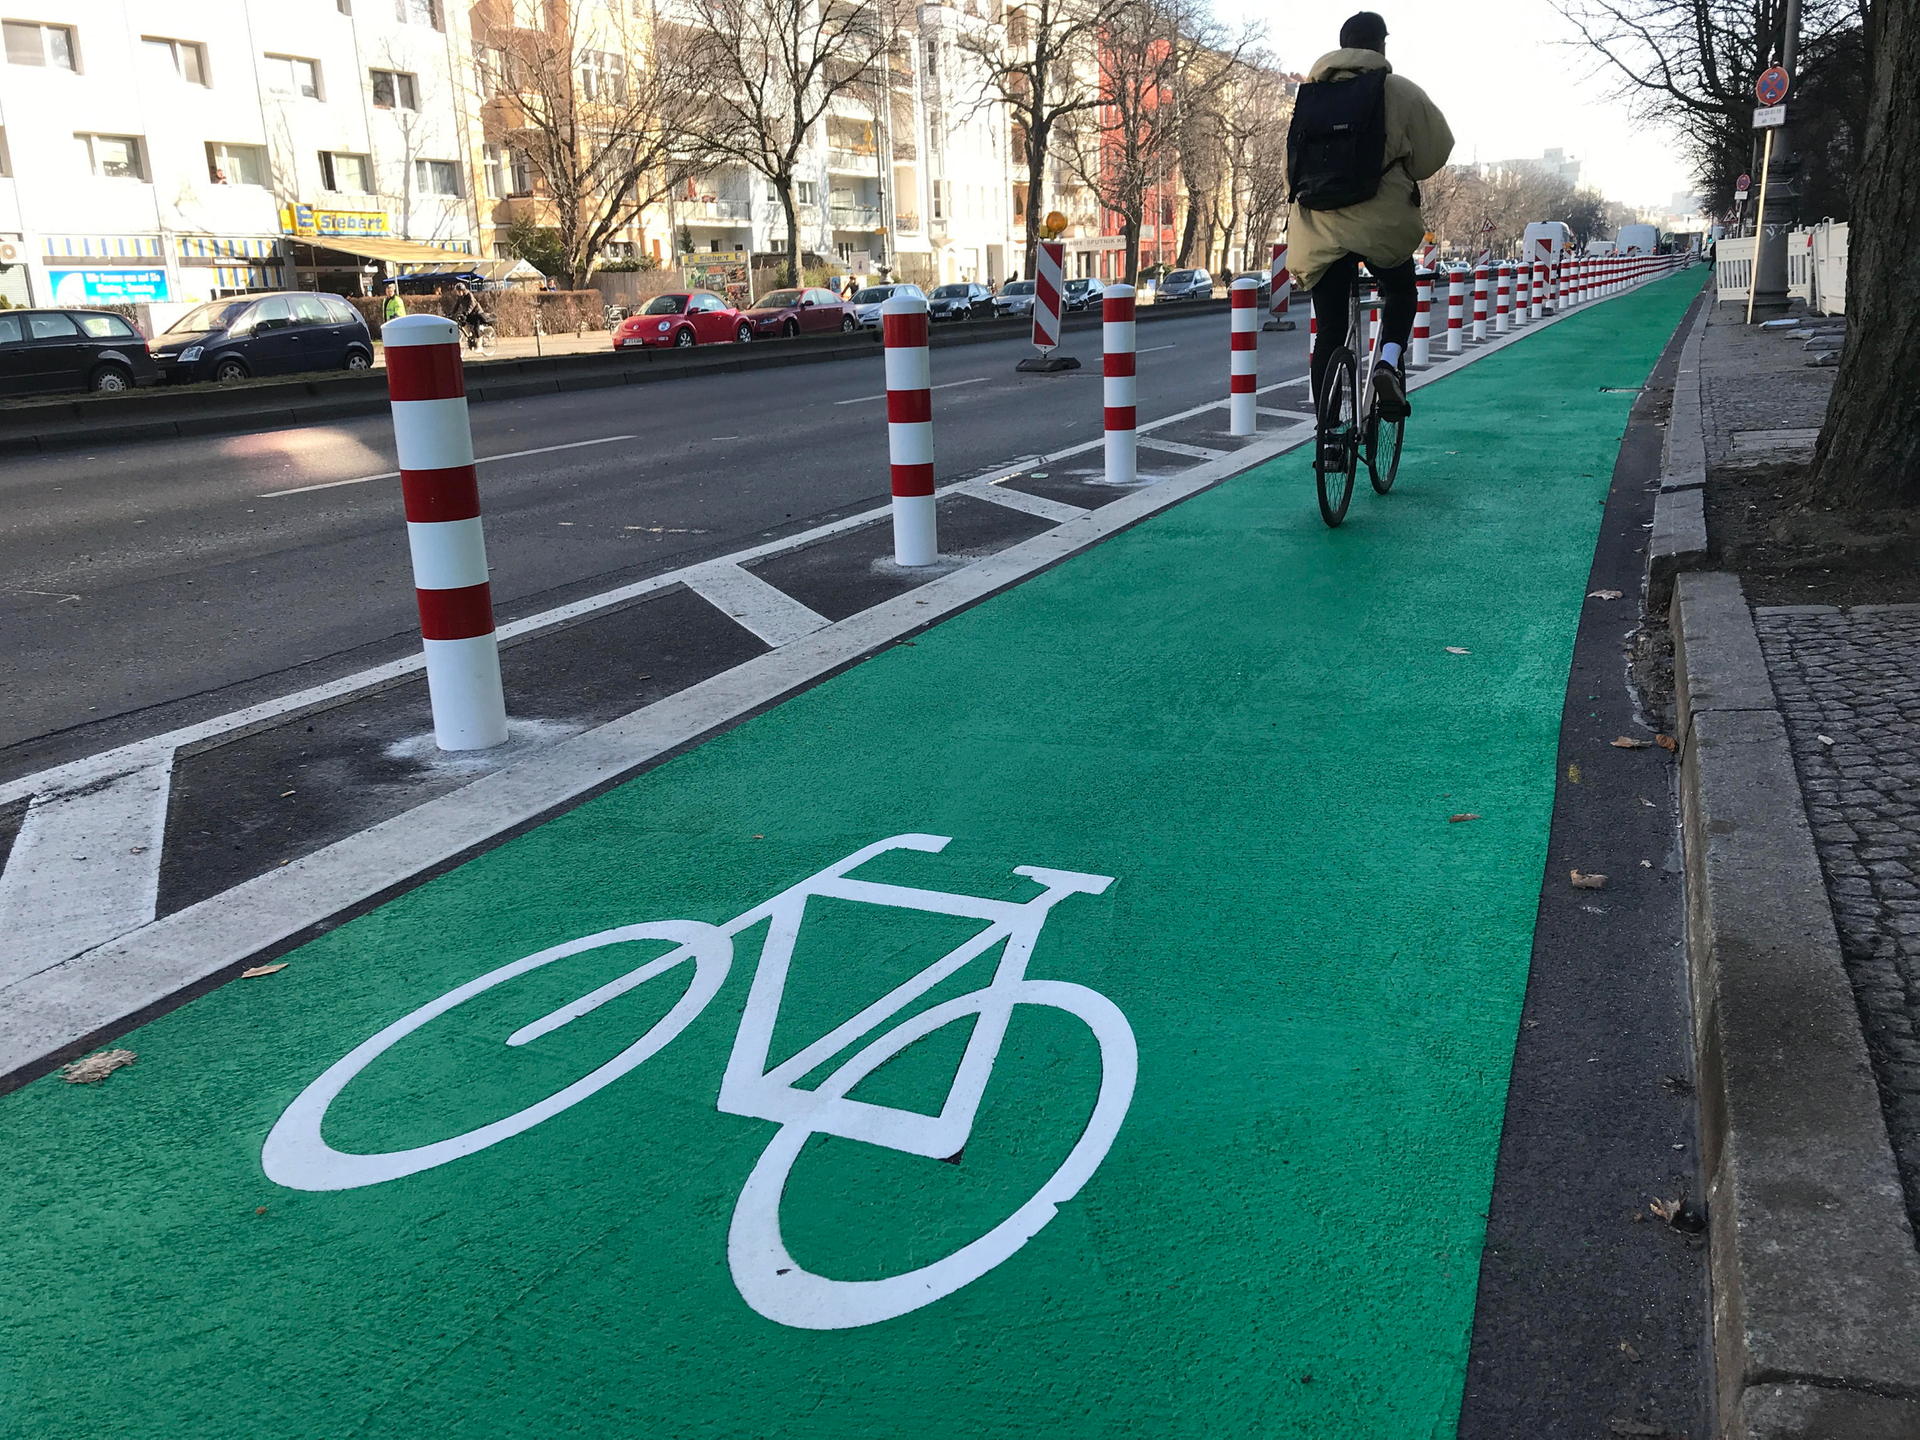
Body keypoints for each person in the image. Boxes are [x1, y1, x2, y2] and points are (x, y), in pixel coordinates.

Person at [1287, 11, 1453, 421]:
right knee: (1400, 291)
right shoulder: (1400, 92)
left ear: (1342, 46)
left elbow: (1292, 168)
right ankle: (1386, 363)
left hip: (1318, 228)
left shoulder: (1309, 94)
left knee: (1329, 329)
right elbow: (1437, 150)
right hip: (1382, 225)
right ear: (1381, 45)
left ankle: (1328, 432)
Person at [446, 282, 488, 350]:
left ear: (462, 290)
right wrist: (451, 313)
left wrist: (466, 312)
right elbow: (456, 306)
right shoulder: (460, 297)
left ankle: (480, 345)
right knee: (463, 322)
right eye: (457, 291)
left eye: (459, 291)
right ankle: (470, 337)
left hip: (477, 313)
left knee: (475, 328)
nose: (458, 293)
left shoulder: (469, 295)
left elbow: (472, 305)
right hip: (469, 313)